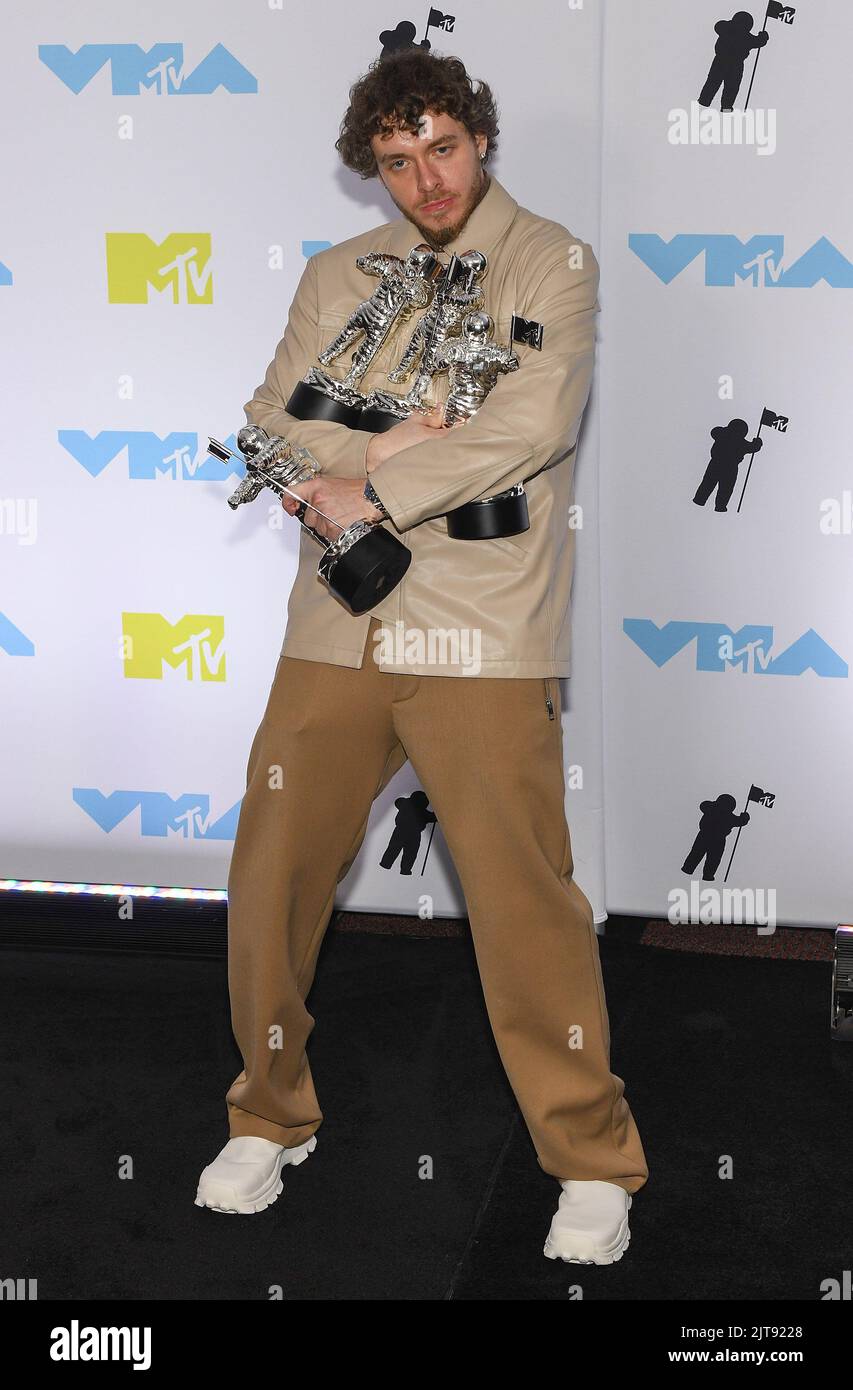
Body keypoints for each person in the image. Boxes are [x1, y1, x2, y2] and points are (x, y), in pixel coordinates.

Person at [195, 45, 650, 1265]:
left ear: (480, 139)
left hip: (487, 630)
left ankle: (590, 1155)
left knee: (522, 908)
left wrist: (367, 473)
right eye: (396, 161)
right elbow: (263, 422)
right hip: (335, 625)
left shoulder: (551, 259)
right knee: (271, 880)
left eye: (440, 148)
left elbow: (532, 424)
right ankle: (269, 1113)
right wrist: (379, 451)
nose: (425, 179)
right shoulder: (337, 273)